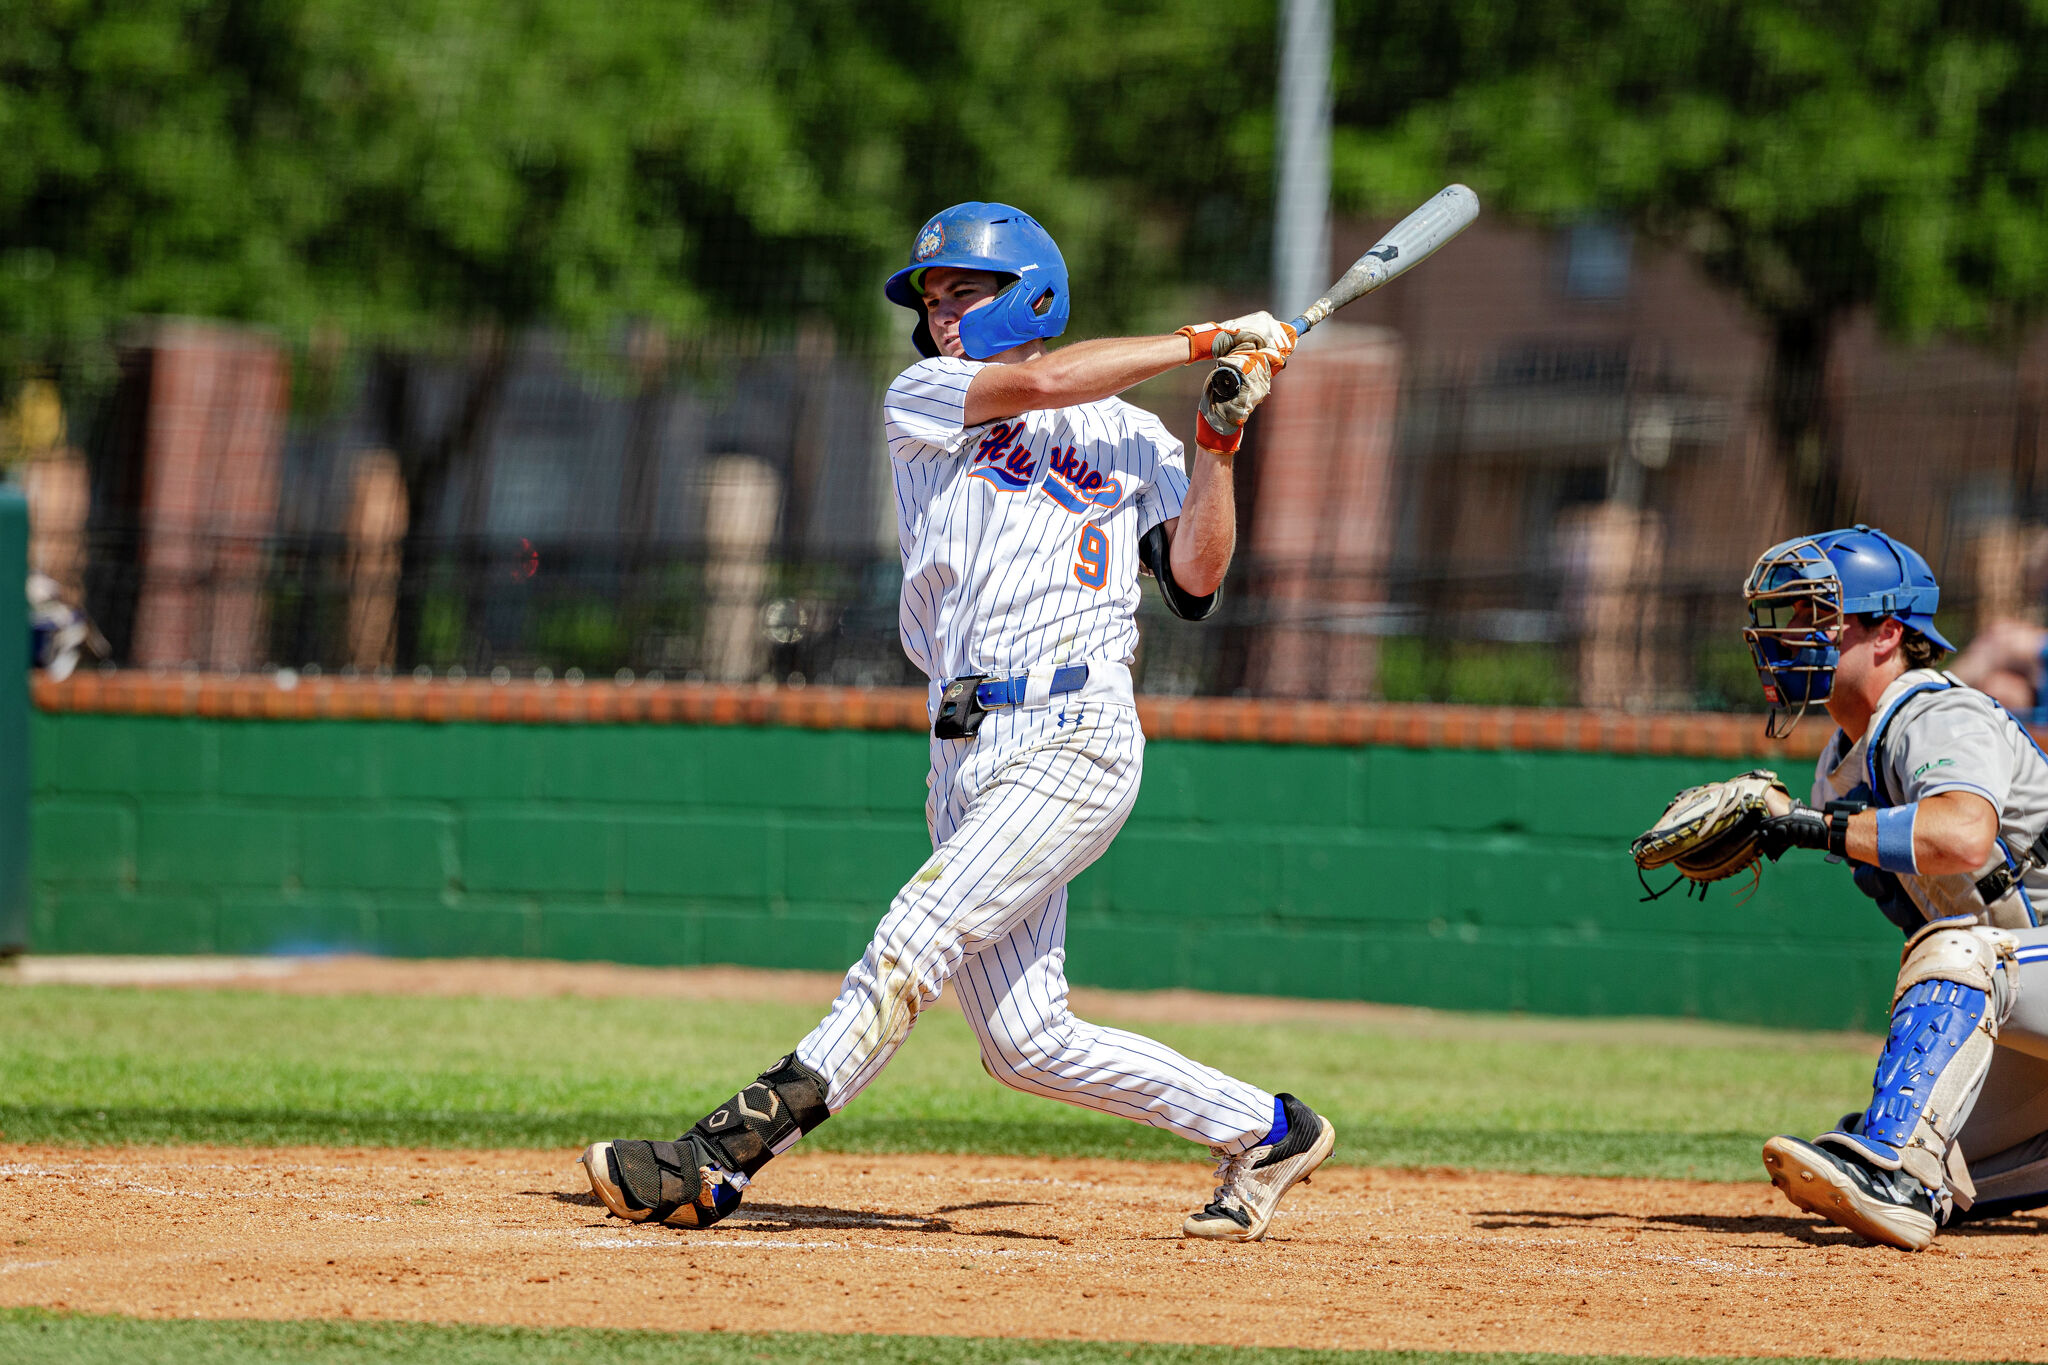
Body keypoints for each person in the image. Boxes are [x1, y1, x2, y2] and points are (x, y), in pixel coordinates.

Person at [580, 202, 1334, 1241]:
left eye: (964, 291)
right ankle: (1267, 1128)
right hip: (962, 744)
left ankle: (718, 1158)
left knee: (912, 941)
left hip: (1074, 732)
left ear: (1031, 295)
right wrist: (1203, 339)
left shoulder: (1132, 436)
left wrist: (1218, 441)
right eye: (932, 296)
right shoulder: (929, 394)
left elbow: (1195, 579)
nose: (940, 312)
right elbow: (1043, 385)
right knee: (1025, 1042)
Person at [1735, 525, 2048, 1250]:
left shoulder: (1938, 713)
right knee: (1921, 1150)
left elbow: (1962, 833)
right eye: (1790, 614)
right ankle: (1912, 1167)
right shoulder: (1841, 765)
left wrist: (1817, 828)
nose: (1792, 633)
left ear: (1888, 633)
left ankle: (1899, 1179)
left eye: (1820, 615)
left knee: (1961, 952)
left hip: (2020, 969)